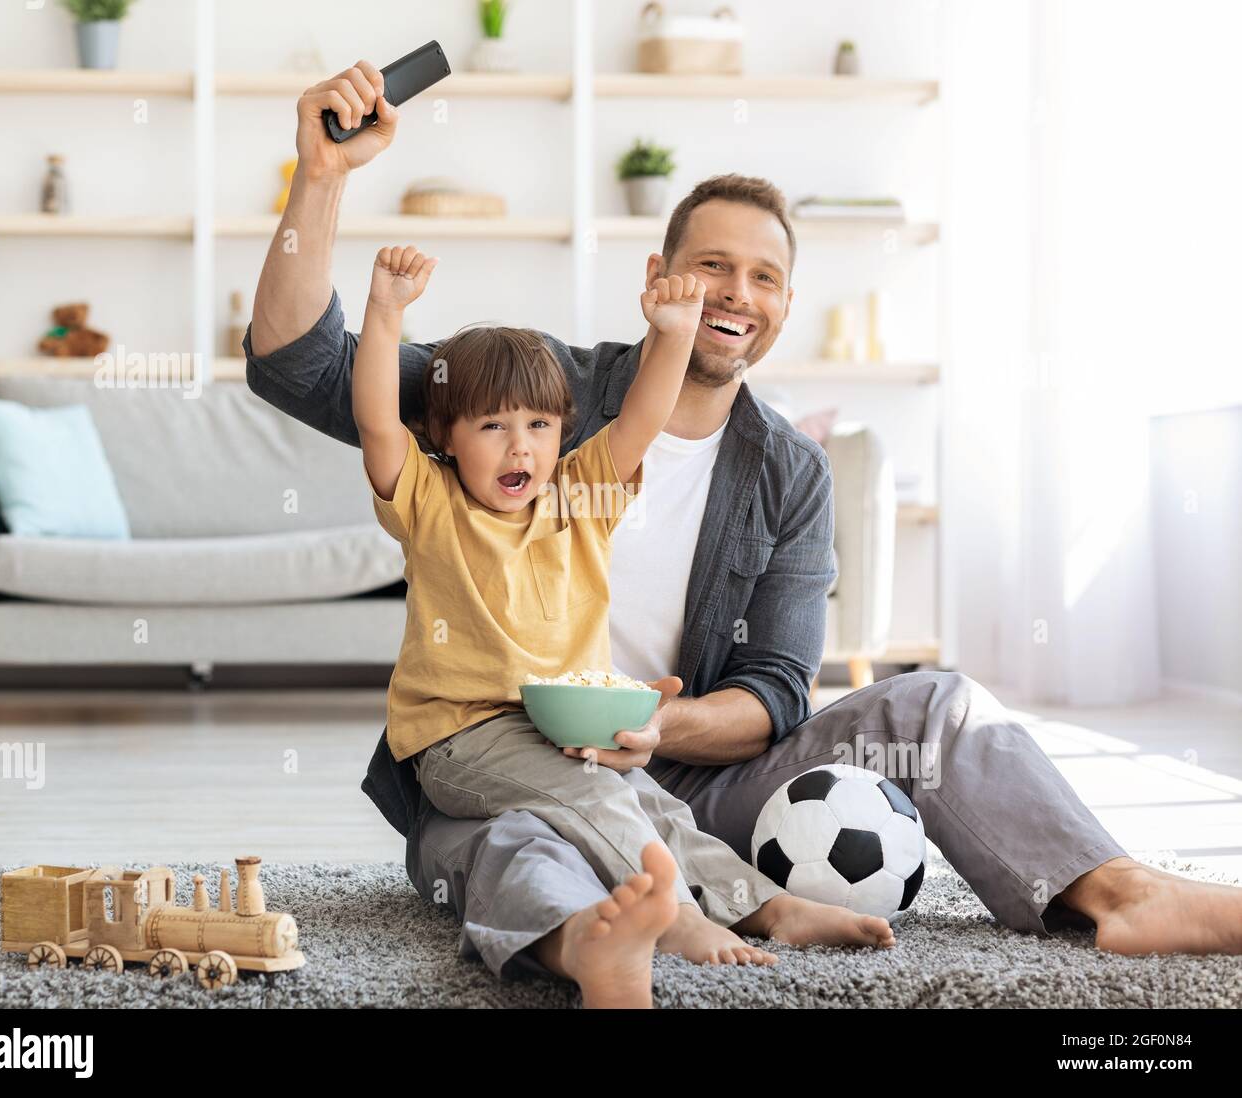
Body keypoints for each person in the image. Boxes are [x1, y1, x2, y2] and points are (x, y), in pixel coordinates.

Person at [243, 61, 1242, 1008]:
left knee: (935, 706)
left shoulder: (787, 472)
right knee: (524, 847)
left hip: (698, 781)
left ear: (783, 307)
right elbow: (298, 364)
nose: (735, 292)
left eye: (762, 277)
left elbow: (773, 690)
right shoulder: (533, 397)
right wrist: (321, 178)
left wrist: (650, 730)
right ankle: (600, 938)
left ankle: (1117, 893)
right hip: (500, 767)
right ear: (660, 275)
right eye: (711, 266)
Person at [353, 244, 895, 1001]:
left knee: (654, 803)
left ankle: (762, 906)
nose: (522, 446)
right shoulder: (429, 502)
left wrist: (673, 332)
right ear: (446, 438)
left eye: (541, 425)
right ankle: (673, 915)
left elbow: (643, 418)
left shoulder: (580, 499)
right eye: (494, 427)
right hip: (459, 738)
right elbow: (378, 421)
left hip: (556, 732)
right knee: (600, 796)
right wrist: (385, 310)